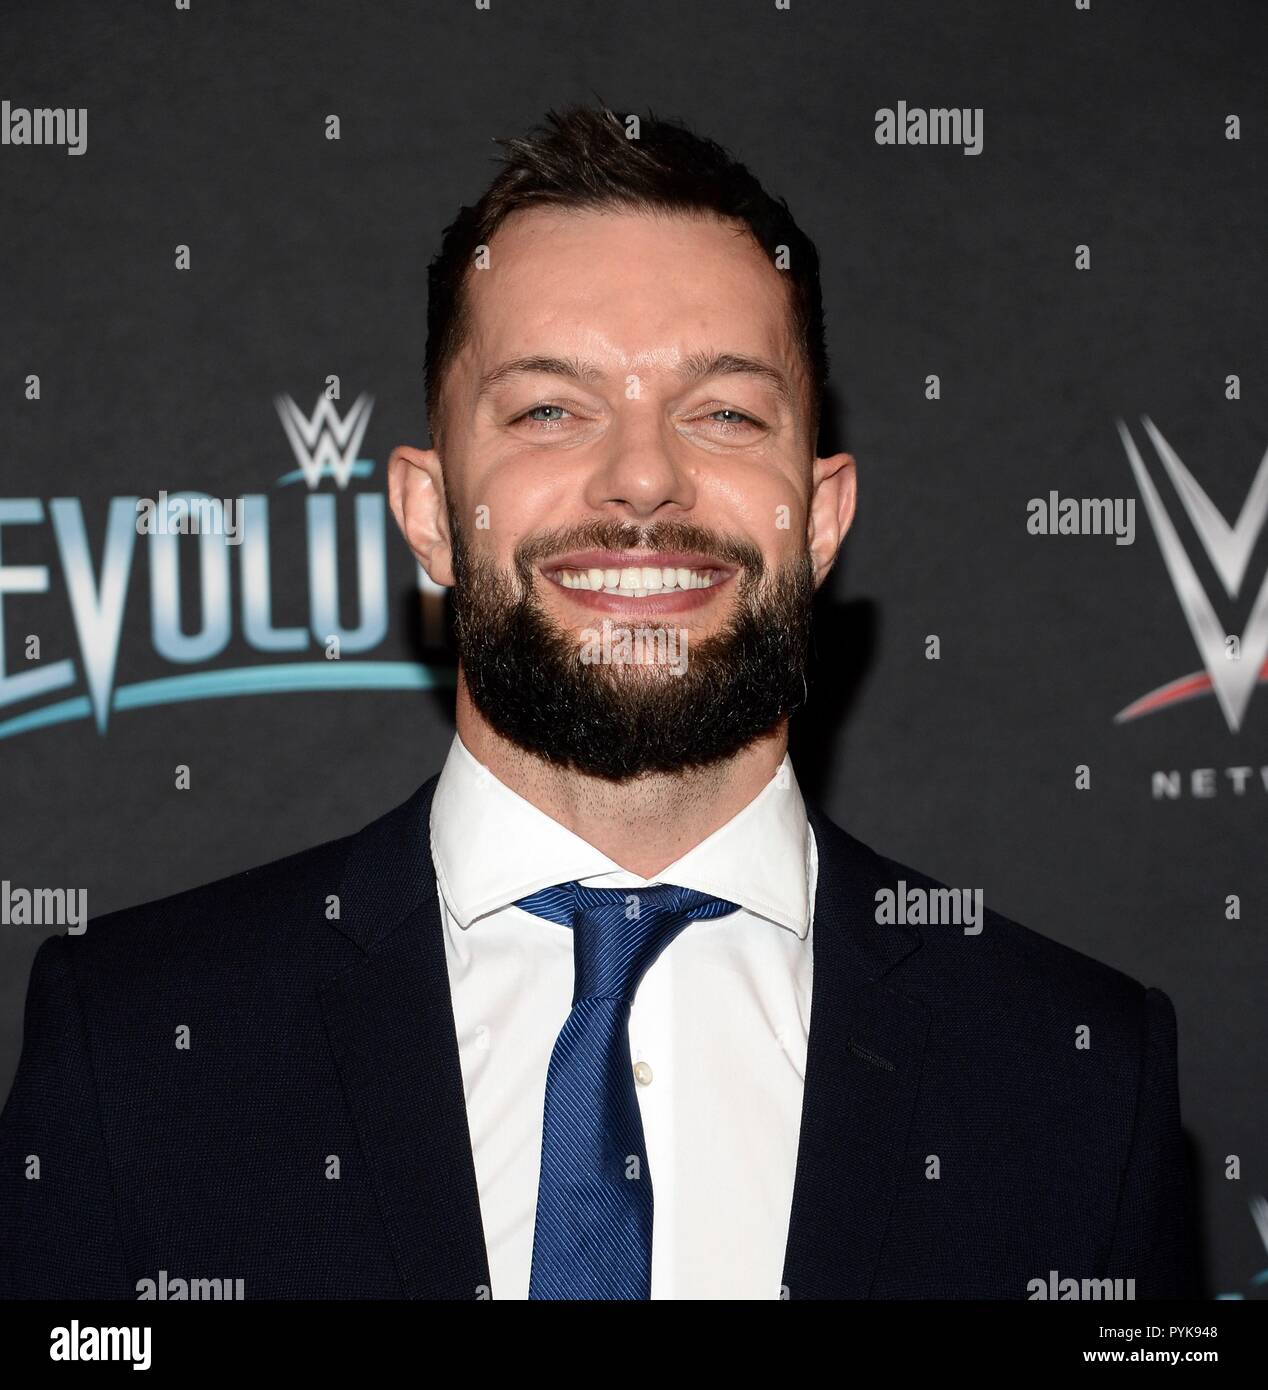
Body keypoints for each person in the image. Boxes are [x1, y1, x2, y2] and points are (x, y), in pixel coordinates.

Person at [0, 105, 1191, 1300]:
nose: (640, 477)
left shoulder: (1077, 1076)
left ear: (821, 517)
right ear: (427, 514)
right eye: (548, 410)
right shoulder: (138, 1040)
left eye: (722, 410)